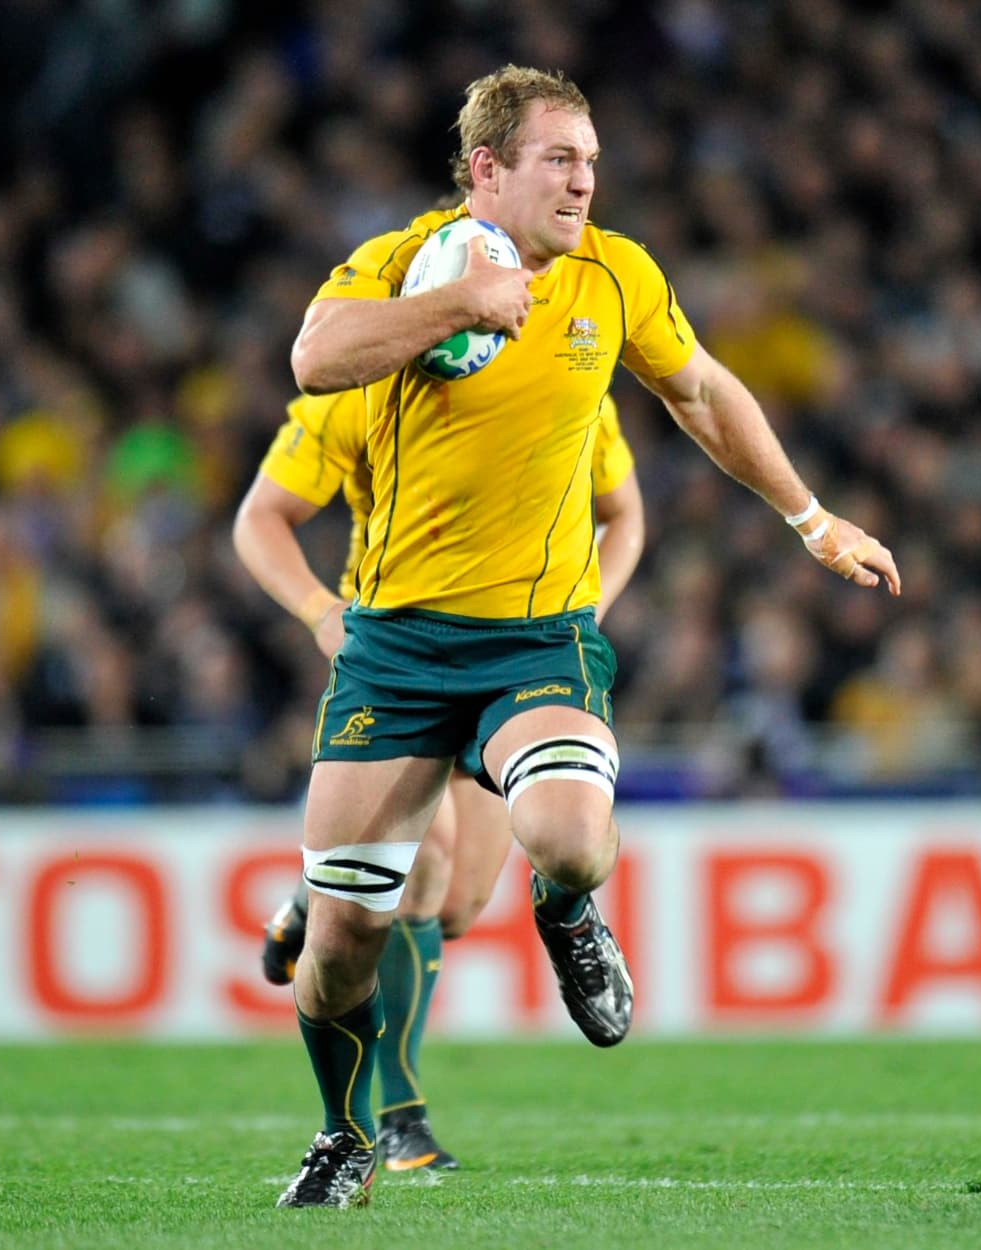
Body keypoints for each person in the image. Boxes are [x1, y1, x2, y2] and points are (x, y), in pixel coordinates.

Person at [274, 65, 898, 1209]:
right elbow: (313, 357)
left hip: (536, 636)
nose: (583, 182)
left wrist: (810, 519)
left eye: (591, 161)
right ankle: (342, 1135)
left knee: (562, 834)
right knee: (341, 937)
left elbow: (700, 392)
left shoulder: (615, 273)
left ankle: (567, 913)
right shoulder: (404, 258)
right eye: (559, 159)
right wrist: (460, 306)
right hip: (395, 645)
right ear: (486, 171)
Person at [232, 387, 645, 1173]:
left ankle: (313, 892)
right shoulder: (364, 381)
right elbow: (261, 515)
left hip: (519, 661)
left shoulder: (565, 369)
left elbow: (621, 513)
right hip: (405, 662)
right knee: (415, 880)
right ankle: (399, 1121)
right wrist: (323, 612)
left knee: (454, 907)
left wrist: (582, 608)